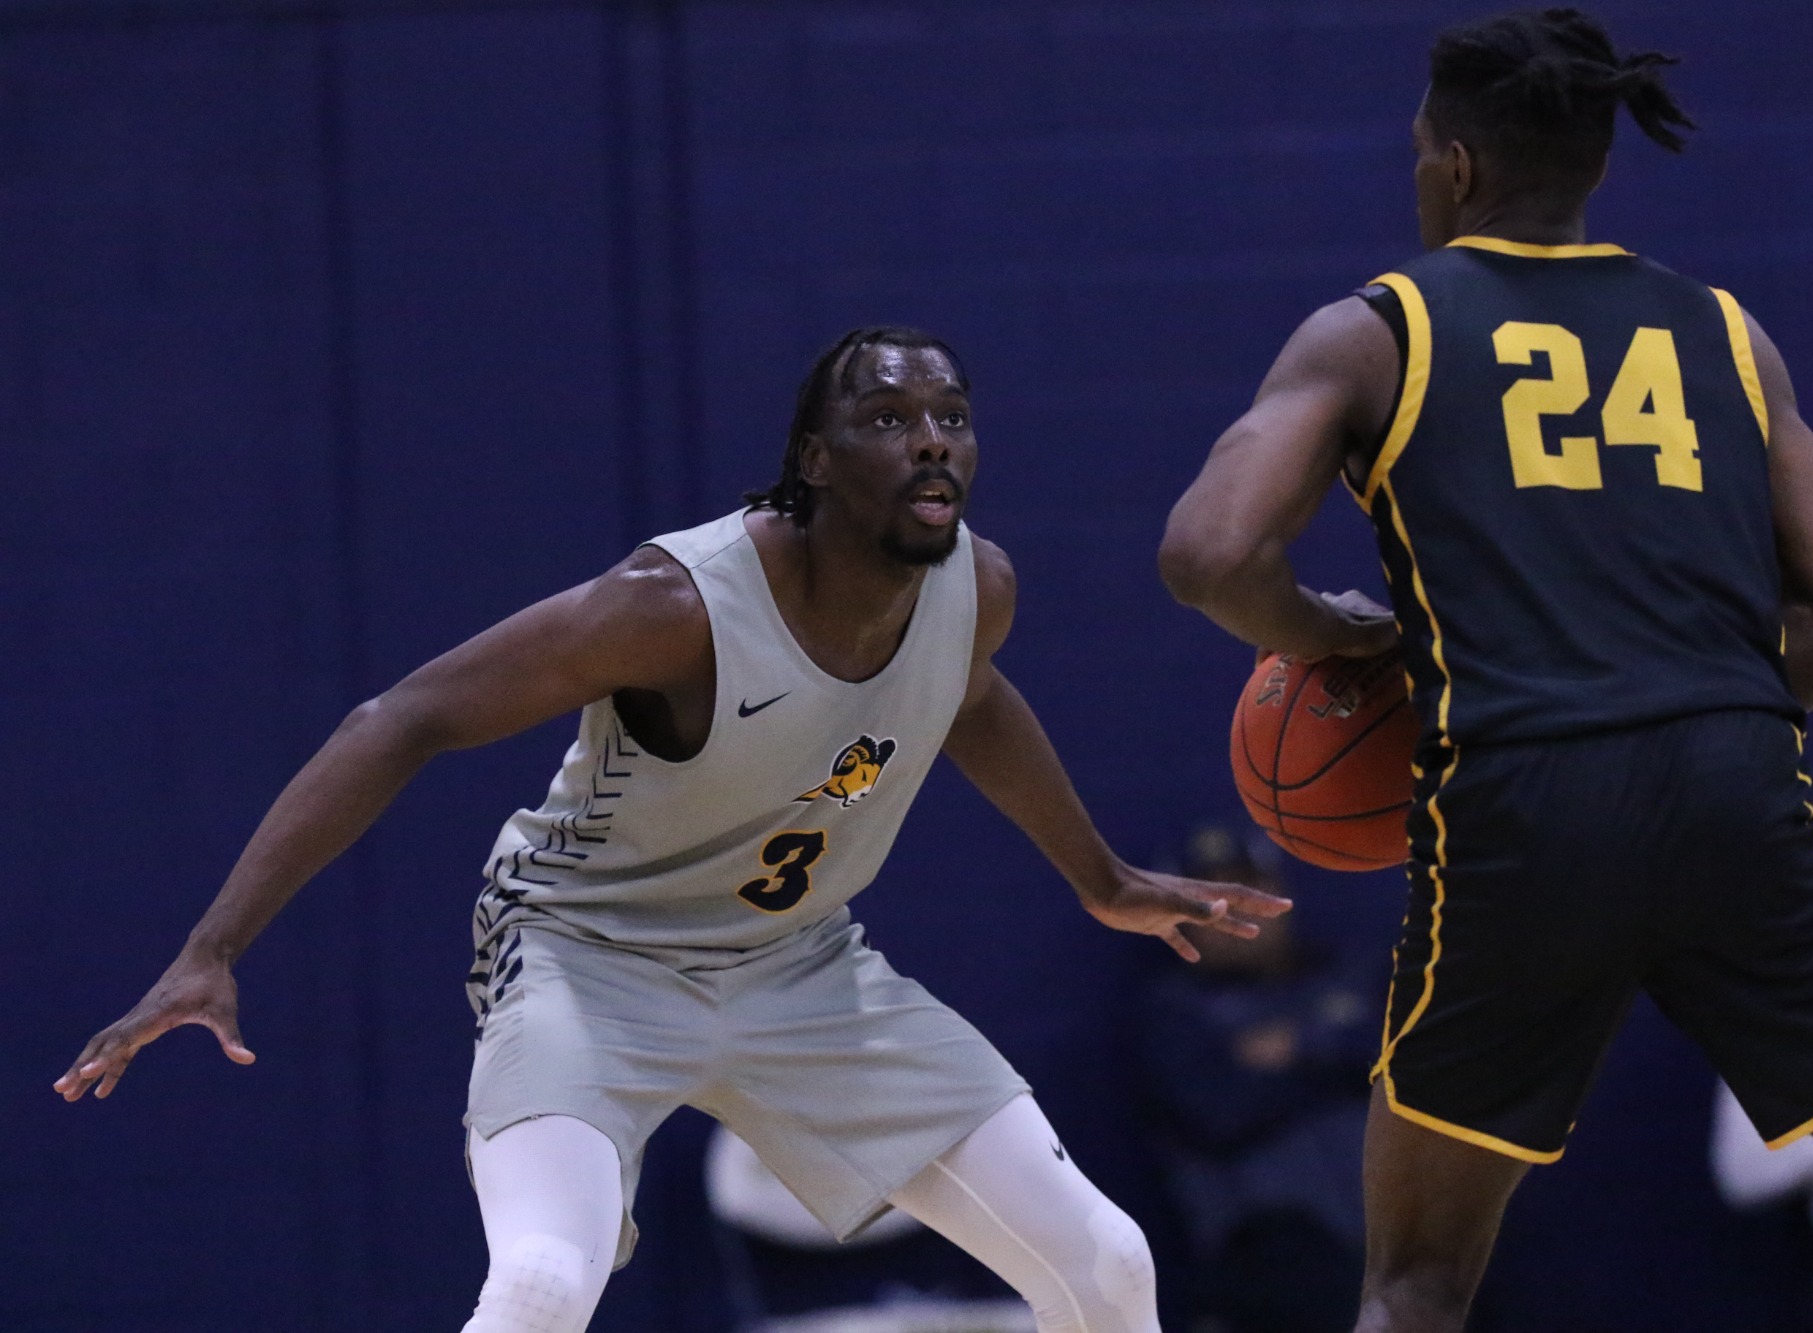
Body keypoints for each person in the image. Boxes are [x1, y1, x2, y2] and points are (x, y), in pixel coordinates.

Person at [56, 325, 1290, 1333]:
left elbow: (970, 698)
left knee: (1108, 1263)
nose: (930, 443)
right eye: (888, 419)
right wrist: (215, 945)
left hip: (798, 964)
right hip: (587, 958)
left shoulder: (980, 587)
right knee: (543, 1282)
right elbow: (402, 718)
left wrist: (1098, 874)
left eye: (951, 418)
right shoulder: (672, 609)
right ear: (813, 459)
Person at [1156, 10, 1813, 1332]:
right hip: (1736, 798)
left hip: (1524, 809)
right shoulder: (1727, 335)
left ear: (1456, 168)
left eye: (1420, 152)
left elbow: (1208, 555)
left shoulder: (1377, 330)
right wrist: (1676, 679)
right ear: (1597, 165)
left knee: (1416, 1281)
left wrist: (1330, 635)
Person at [1135, 824, 1385, 1333]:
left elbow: (1421, 1069)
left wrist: (1302, 1047)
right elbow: (1220, 1110)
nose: (1240, 913)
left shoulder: (1352, 977)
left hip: (1397, 1238)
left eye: (1252, 891)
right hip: (1272, 1257)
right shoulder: (1172, 1010)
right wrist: (1348, 1067)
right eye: (1212, 901)